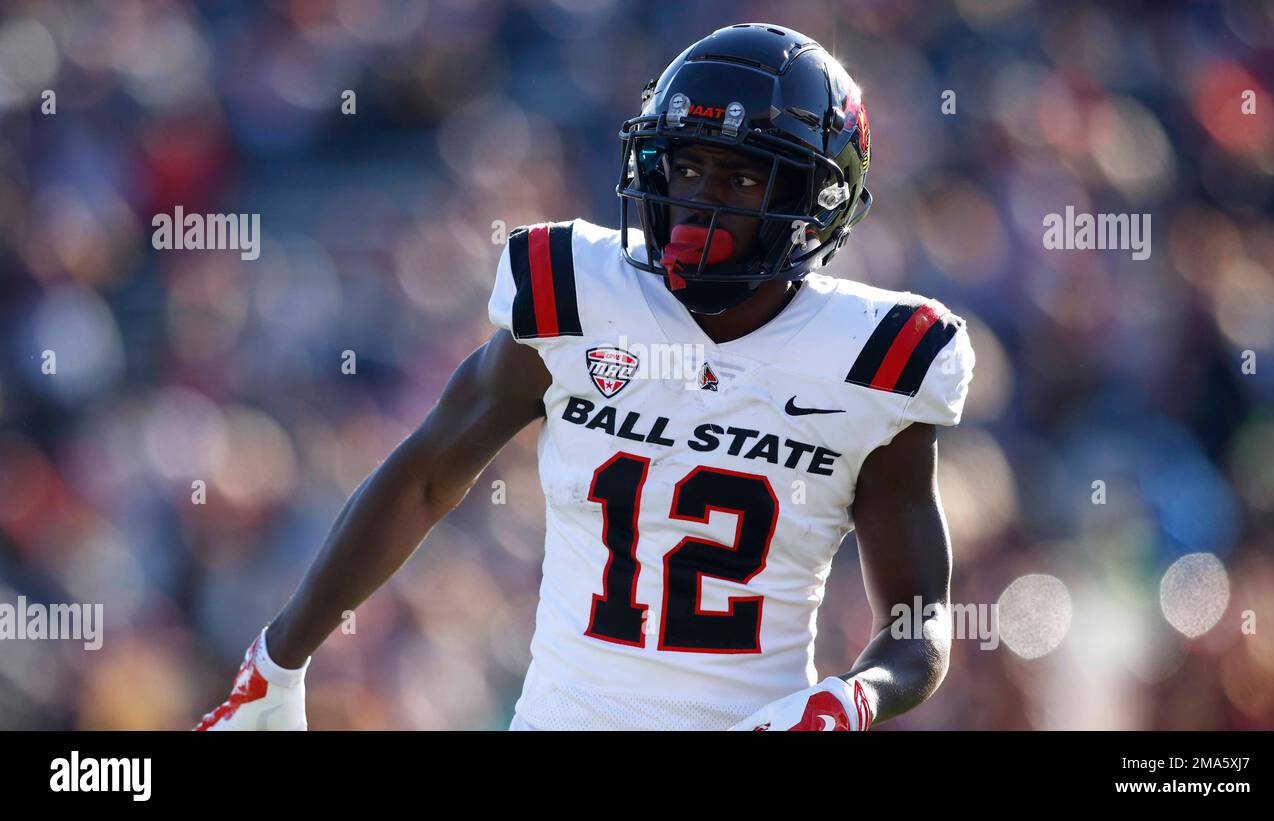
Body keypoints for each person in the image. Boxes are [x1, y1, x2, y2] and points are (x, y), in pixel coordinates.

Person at [195, 22, 975, 732]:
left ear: (817, 200)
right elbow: (426, 475)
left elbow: (918, 625)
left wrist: (854, 696)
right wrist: (279, 656)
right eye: (688, 166)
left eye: (741, 180)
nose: (700, 201)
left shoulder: (876, 358)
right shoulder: (581, 294)